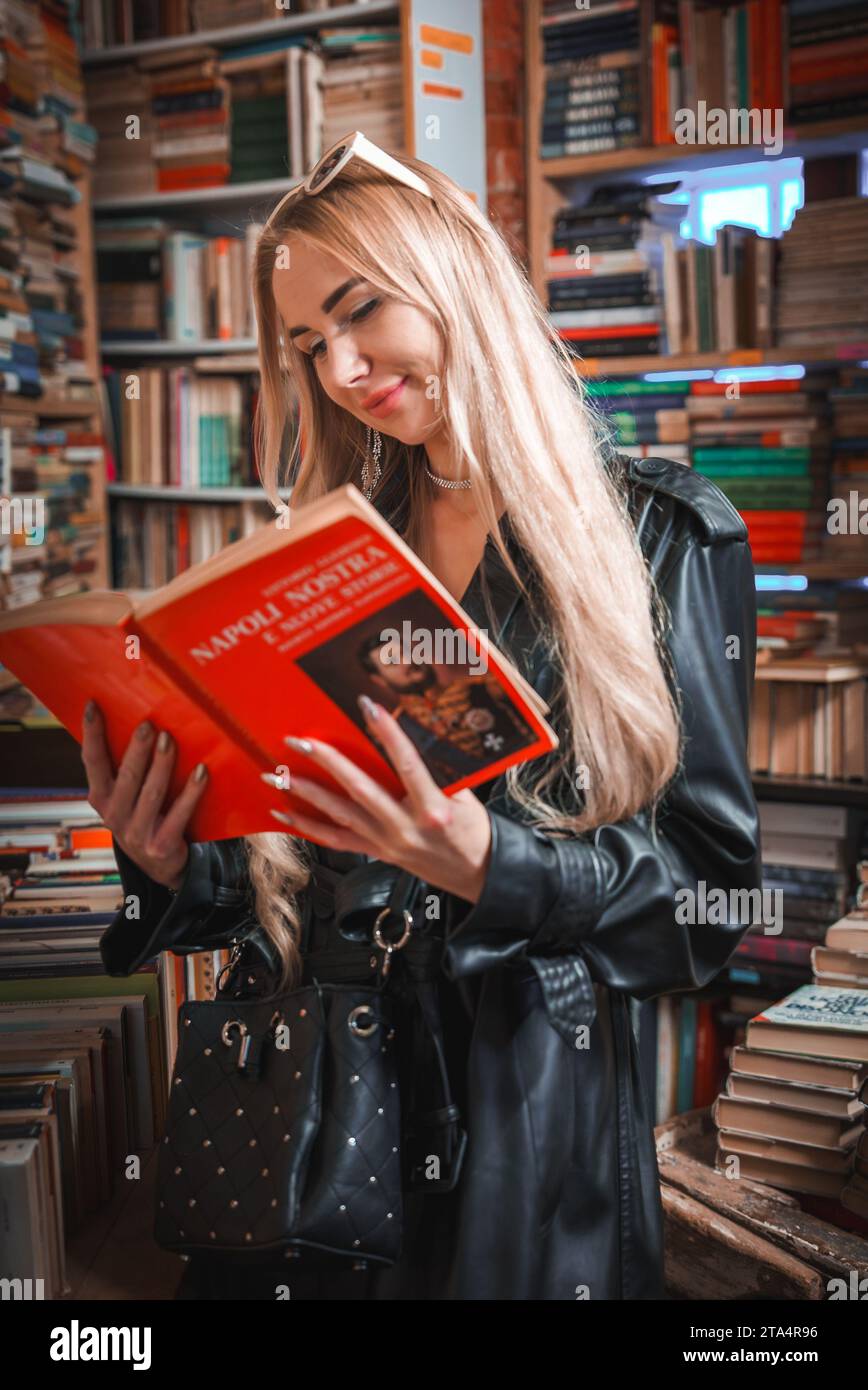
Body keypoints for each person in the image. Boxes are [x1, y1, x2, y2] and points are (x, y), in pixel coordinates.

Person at [87, 131, 761, 1301]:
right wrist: (166, 864)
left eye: (360, 312)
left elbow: (708, 902)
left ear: (455, 279)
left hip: (519, 1123)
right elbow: (292, 868)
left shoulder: (658, 536)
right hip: (310, 1115)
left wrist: (488, 863)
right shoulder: (327, 560)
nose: (342, 368)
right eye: (308, 345)